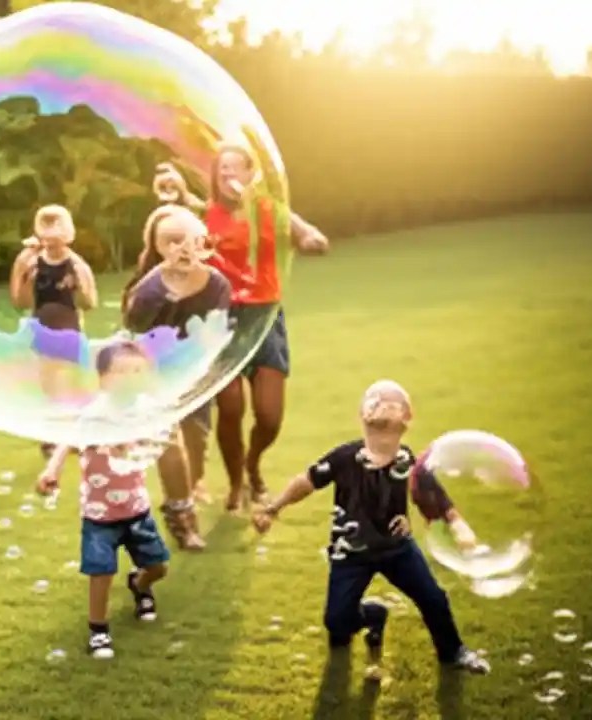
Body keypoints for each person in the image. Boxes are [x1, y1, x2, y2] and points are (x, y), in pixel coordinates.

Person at [251, 380, 491, 678]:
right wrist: (274, 508)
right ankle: (374, 615)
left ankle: (453, 651)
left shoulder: (407, 459)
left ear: (407, 420)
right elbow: (307, 481)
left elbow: (432, 495)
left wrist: (458, 524)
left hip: (397, 548)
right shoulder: (345, 457)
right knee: (337, 623)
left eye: (395, 404)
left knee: (433, 598)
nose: (387, 404)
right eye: (378, 401)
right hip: (351, 553)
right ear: (363, 416)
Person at [201, 146, 328, 509]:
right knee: (230, 410)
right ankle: (237, 482)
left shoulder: (268, 210)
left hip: (266, 316)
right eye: (221, 169)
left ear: (249, 172)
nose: (227, 175)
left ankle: (253, 464)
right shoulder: (205, 217)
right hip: (222, 320)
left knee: (270, 418)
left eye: (234, 167)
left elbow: (307, 233)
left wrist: (310, 240)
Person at [36, 341, 170, 660]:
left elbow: (159, 439)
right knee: (101, 573)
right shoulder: (95, 413)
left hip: (136, 508)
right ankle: (98, 630)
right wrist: (52, 469)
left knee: (159, 567)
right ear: (104, 379)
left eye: (137, 370)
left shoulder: (148, 409)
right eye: (121, 371)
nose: (130, 376)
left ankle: (139, 583)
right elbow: (68, 441)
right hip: (99, 514)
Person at [120, 204, 232, 550]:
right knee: (169, 443)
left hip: (195, 371)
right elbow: (134, 325)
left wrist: (206, 370)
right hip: (151, 372)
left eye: (189, 239)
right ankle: (184, 523)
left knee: (195, 445)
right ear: (157, 247)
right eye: (171, 241)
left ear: (202, 241)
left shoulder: (216, 283)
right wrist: (159, 283)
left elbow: (218, 331)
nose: (181, 247)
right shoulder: (148, 284)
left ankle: (182, 498)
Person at [9, 205, 97, 456]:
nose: (52, 231)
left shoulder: (76, 263)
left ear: (69, 231)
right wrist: (27, 278)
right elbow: (20, 303)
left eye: (58, 223)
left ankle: (77, 437)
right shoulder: (28, 260)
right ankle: (52, 438)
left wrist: (79, 285)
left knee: (75, 385)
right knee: (49, 387)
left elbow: (90, 303)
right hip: (42, 329)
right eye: (46, 224)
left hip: (71, 328)